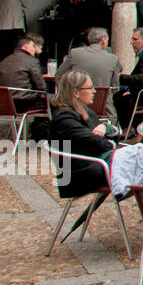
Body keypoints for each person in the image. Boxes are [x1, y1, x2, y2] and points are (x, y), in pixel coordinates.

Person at [48, 69, 118, 199]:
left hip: (99, 163)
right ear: (75, 92)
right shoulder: (65, 119)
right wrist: (106, 133)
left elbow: (112, 137)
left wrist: (105, 127)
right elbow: (103, 143)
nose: (94, 91)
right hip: (84, 174)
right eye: (90, 88)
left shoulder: (83, 111)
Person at [0, 32, 47, 109]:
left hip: (3, 102)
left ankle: (41, 121)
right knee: (58, 101)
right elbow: (41, 86)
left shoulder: (3, 61)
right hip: (24, 102)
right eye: (33, 46)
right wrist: (44, 95)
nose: (34, 49)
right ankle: (42, 121)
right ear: (25, 47)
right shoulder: (31, 61)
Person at [56, 27, 121, 90]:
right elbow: (115, 87)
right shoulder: (113, 59)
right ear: (103, 40)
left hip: (78, 99)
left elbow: (59, 75)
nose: (107, 43)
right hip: (103, 100)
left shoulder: (75, 53)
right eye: (107, 40)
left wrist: (66, 93)